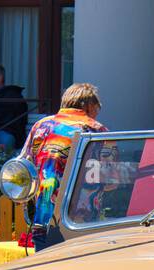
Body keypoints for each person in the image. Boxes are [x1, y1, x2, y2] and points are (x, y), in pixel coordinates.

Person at [20, 82, 107, 250]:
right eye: (98, 108)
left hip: (43, 218)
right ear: (89, 106)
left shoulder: (40, 126)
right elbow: (107, 178)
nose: (97, 113)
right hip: (81, 224)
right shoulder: (96, 130)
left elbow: (22, 167)